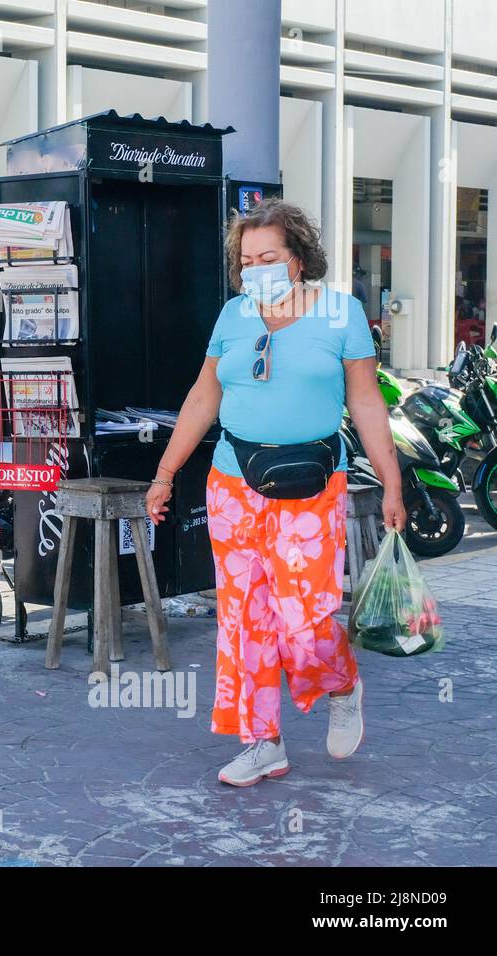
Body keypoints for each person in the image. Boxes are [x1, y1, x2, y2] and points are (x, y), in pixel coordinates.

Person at [144, 199, 405, 787]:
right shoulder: (233, 316)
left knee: (305, 619)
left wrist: (391, 481)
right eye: (246, 259)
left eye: (268, 256)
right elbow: (202, 397)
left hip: (311, 487)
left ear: (299, 258)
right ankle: (262, 741)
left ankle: (340, 683)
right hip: (234, 483)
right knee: (244, 620)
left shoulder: (342, 314)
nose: (255, 267)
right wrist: (164, 474)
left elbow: (365, 401)